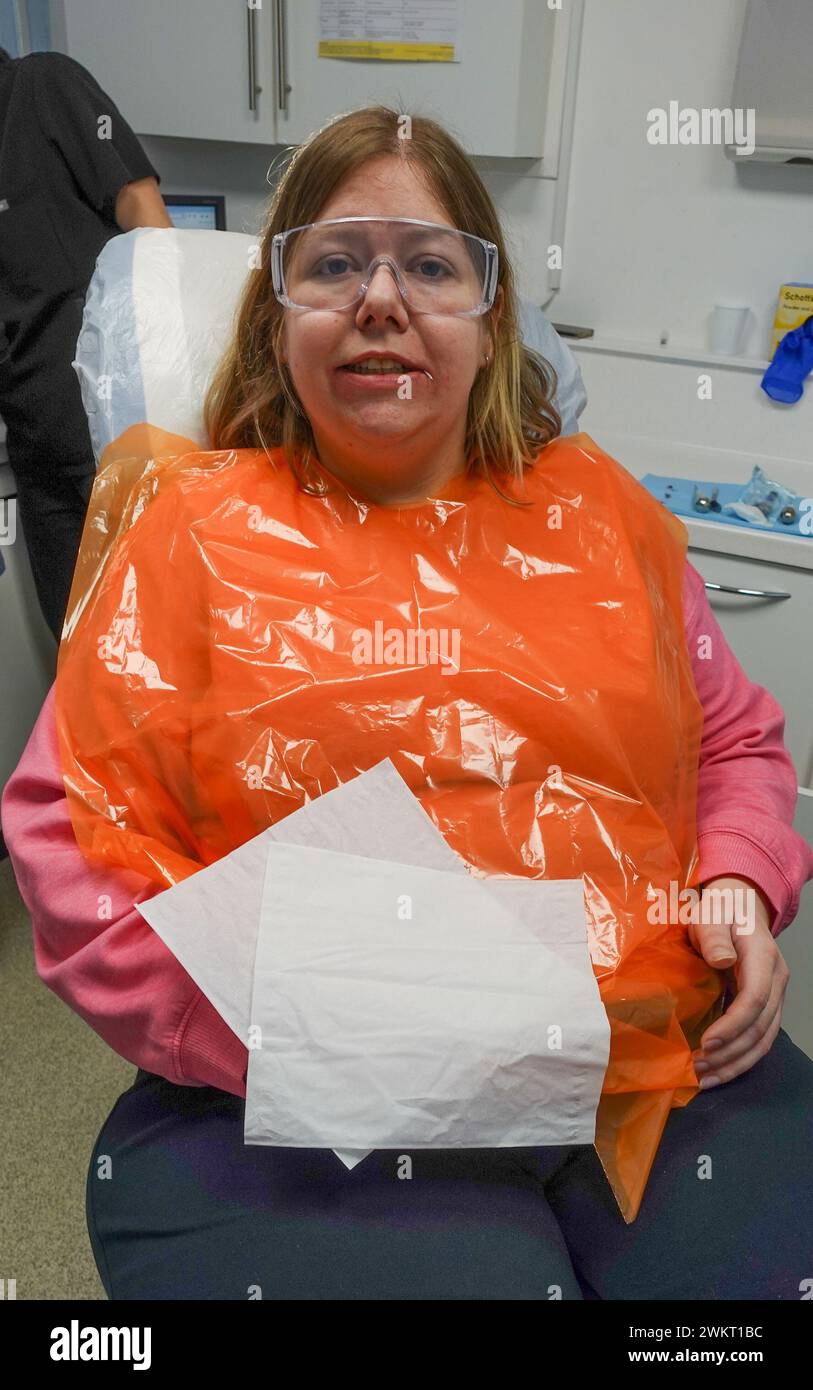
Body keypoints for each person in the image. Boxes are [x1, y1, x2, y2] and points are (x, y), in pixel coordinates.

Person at [3, 106, 812, 1301]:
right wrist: (310, 1034)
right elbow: (72, 849)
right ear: (278, 318)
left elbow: (735, 741)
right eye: (334, 263)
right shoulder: (186, 539)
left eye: (430, 264)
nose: (382, 296)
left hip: (647, 1051)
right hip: (302, 1086)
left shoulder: (601, 520)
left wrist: (740, 876)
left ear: (491, 323)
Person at [0, 47, 172, 641]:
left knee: (154, 647)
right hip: (37, 454)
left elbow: (142, 210)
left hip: (115, 442)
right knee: (79, 656)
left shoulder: (45, 87)